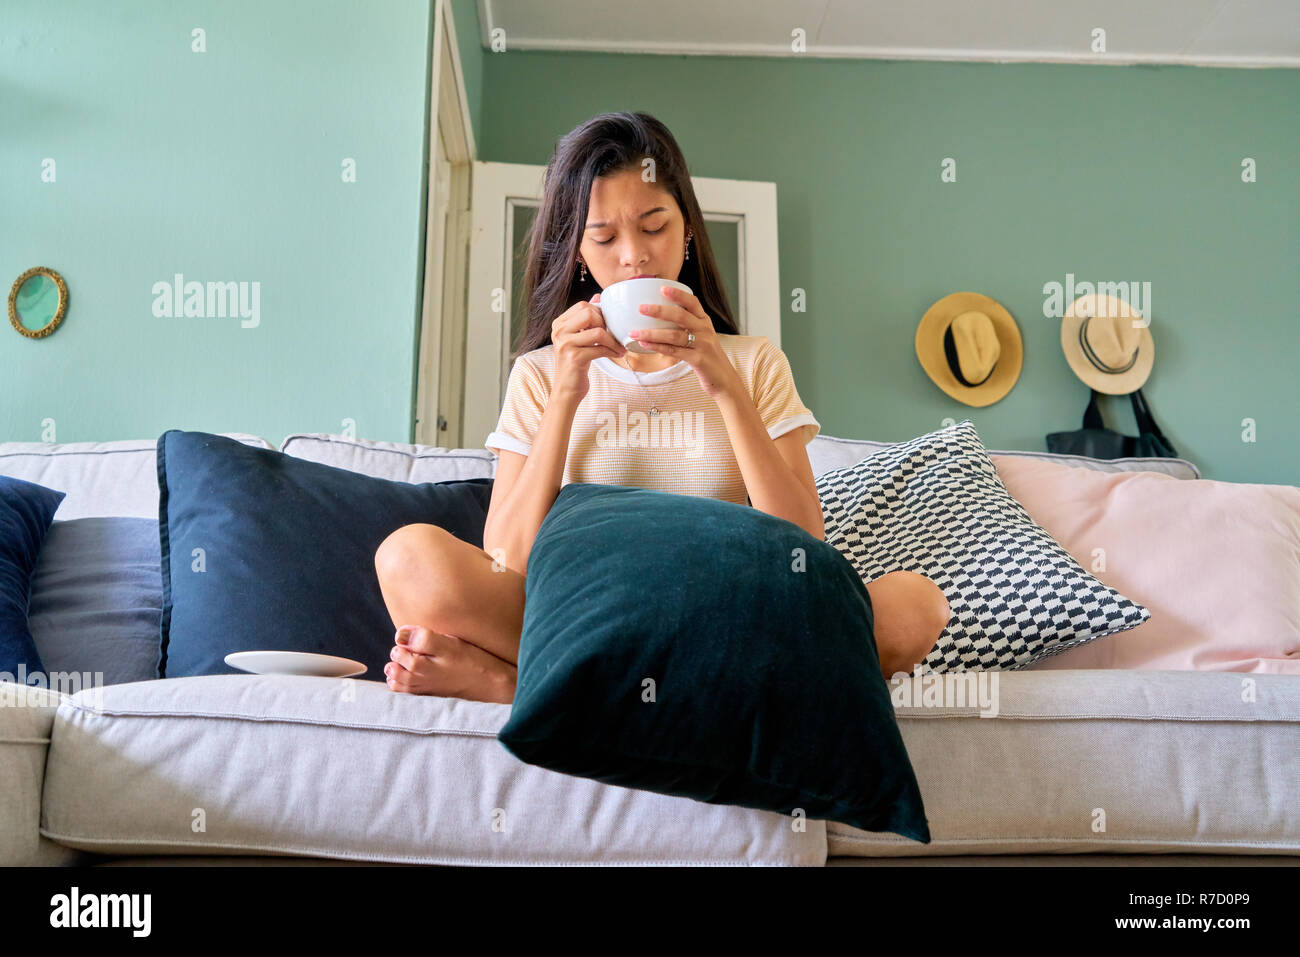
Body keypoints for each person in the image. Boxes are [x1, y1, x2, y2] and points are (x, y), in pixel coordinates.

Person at [374, 112, 949, 702]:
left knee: (915, 604)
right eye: (604, 238)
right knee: (408, 556)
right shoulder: (542, 375)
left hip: (720, 622)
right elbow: (507, 560)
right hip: (578, 618)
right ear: (577, 254)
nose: (635, 257)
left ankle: (523, 687)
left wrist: (722, 382)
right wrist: (569, 391)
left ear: (689, 231)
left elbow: (804, 548)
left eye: (654, 226)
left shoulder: (752, 364)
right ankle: (672, 700)